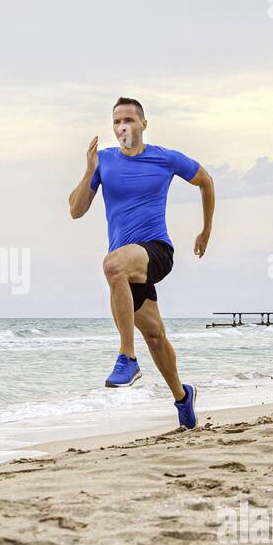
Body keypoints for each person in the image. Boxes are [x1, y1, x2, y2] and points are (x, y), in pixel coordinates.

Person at [67, 96, 216, 429]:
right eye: (117, 121)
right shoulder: (103, 162)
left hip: (156, 251)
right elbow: (76, 210)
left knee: (111, 265)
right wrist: (89, 171)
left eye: (130, 120)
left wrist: (205, 230)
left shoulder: (165, 159)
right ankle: (182, 397)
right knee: (156, 336)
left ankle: (127, 357)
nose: (123, 126)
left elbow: (206, 181)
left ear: (143, 124)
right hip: (128, 269)